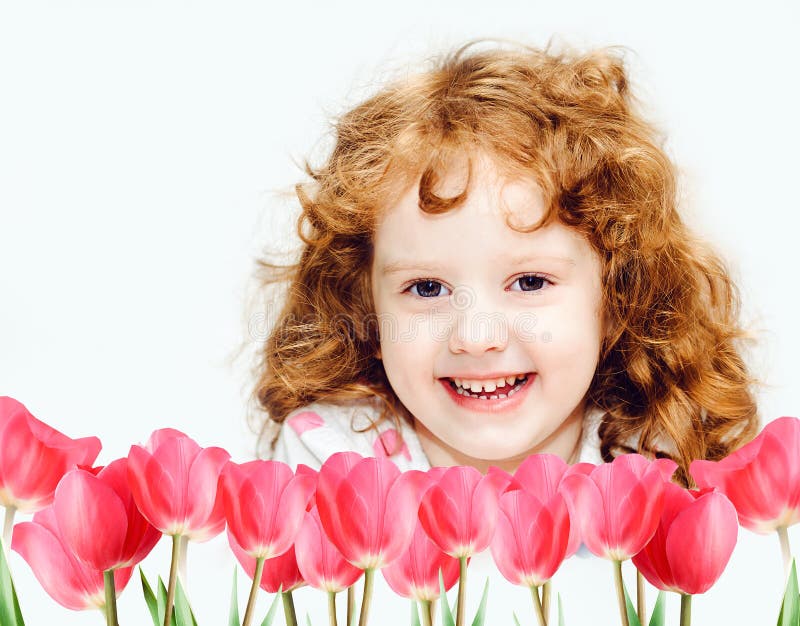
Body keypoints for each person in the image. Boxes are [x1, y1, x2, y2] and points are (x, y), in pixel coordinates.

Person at [246, 38, 764, 489]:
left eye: (530, 281)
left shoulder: (656, 462)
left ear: (616, 296)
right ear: (367, 311)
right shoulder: (334, 461)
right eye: (427, 288)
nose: (475, 336)